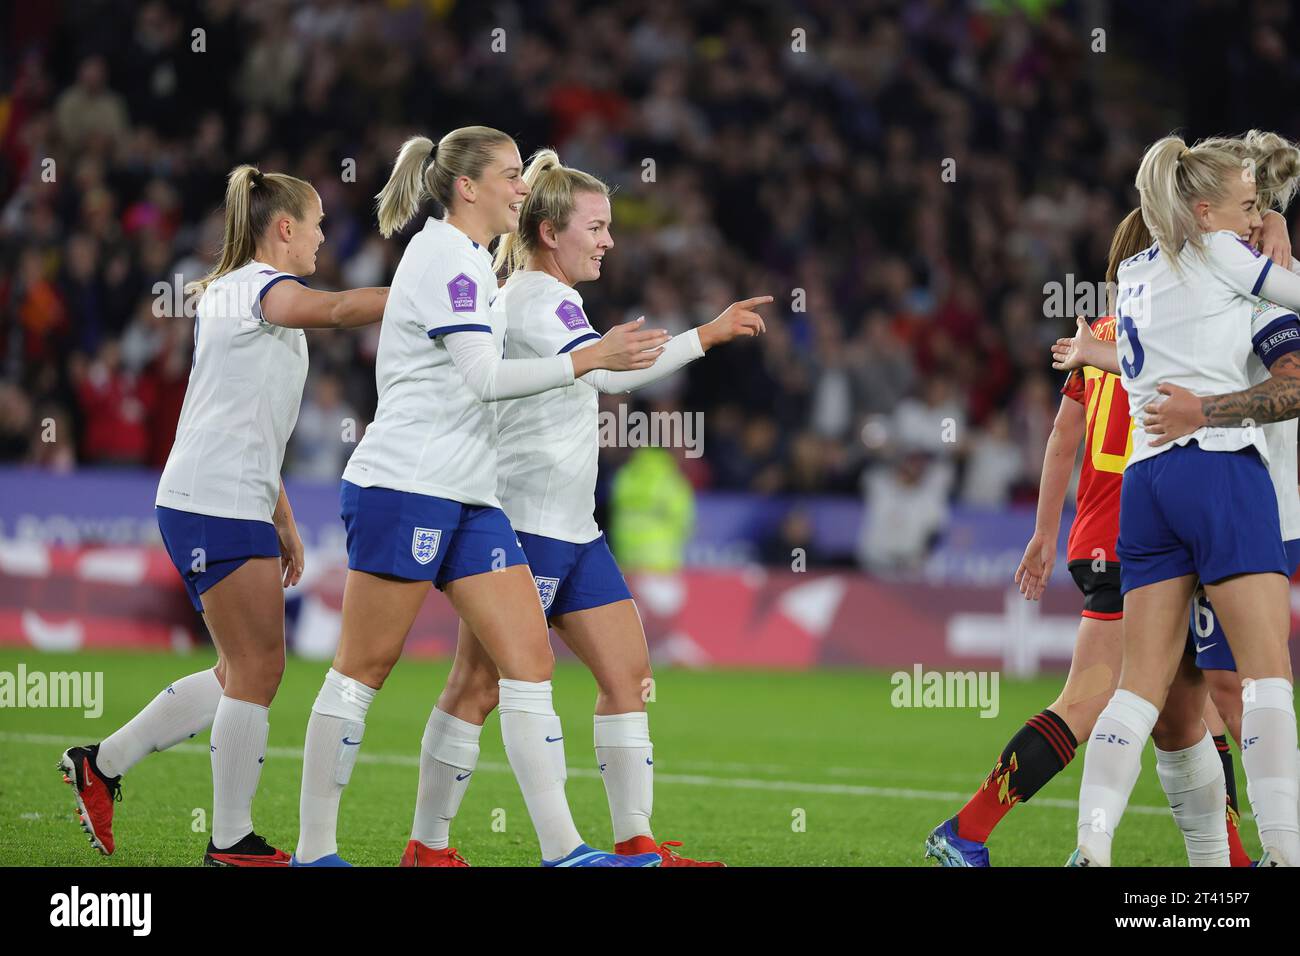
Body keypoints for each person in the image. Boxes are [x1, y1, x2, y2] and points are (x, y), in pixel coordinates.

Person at [293, 129, 670, 867]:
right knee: (364, 668)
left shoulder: (469, 262)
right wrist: (587, 357)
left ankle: (562, 850)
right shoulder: (442, 260)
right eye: (508, 175)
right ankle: (315, 851)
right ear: (467, 187)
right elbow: (484, 378)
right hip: (406, 484)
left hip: (471, 494)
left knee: (529, 665)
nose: (522, 187)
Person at [399, 149, 769, 867]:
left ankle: (635, 846)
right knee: (477, 688)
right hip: (525, 529)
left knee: (626, 677)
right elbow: (614, 372)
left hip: (574, 529)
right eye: (596, 227)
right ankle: (430, 845)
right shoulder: (539, 297)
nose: (608, 241)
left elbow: (605, 370)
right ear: (550, 233)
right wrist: (706, 335)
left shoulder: (548, 295)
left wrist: (699, 334)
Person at [59, 164, 388, 865]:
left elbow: (250, 422)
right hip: (212, 501)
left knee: (240, 669)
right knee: (259, 667)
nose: (325, 238)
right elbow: (332, 311)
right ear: (286, 228)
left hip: (228, 496)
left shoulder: (247, 295)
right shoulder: (254, 290)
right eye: (319, 225)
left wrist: (286, 519)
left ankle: (102, 763)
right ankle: (230, 839)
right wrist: (417, 299)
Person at [1066, 133, 1300, 867]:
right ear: (1203, 211)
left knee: (1140, 688)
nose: (1255, 217)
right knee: (1267, 675)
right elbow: (1290, 293)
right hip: (1220, 469)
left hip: (1148, 482)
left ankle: (1091, 849)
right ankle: (1287, 855)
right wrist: (1280, 239)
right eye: (1245, 206)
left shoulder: (1136, 269)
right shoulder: (1223, 255)